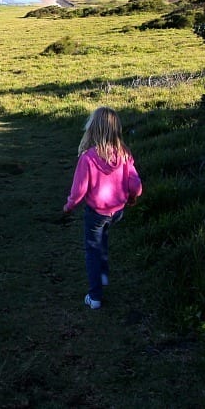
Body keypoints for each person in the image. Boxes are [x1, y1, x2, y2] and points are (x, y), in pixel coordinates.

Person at [63, 106, 143, 310]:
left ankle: (95, 296)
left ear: (93, 130)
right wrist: (132, 197)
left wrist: (70, 205)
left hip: (96, 212)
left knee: (92, 250)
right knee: (103, 239)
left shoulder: (88, 158)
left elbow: (79, 189)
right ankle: (104, 274)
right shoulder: (124, 154)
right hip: (117, 211)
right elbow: (135, 185)